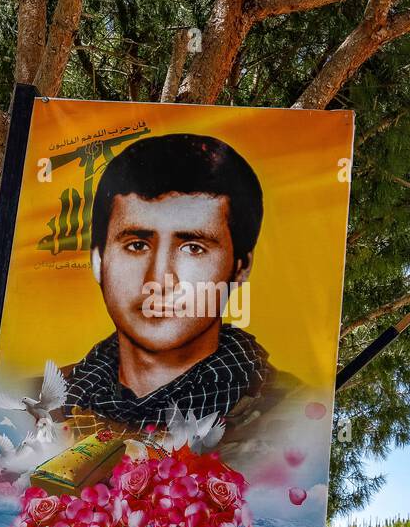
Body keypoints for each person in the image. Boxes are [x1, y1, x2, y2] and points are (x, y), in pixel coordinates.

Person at [61, 133, 296, 432]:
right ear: (98, 261)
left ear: (240, 268)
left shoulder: (292, 416)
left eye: (193, 248)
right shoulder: (31, 403)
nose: (159, 280)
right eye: (136, 245)